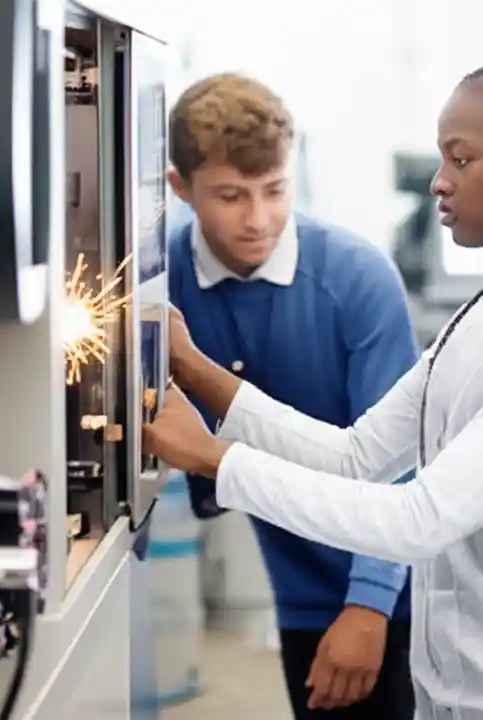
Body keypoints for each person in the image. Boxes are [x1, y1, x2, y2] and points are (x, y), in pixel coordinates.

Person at [144, 57, 483, 719]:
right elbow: (357, 457)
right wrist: (196, 371)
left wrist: (216, 460)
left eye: (462, 159)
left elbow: (418, 520)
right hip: (450, 684)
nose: (440, 184)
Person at [163, 73, 418, 719]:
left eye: (274, 190)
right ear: (180, 189)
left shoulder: (356, 277)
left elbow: (397, 465)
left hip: (402, 583)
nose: (258, 219)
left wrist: (368, 604)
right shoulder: (160, 280)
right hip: (301, 584)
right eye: (230, 195)